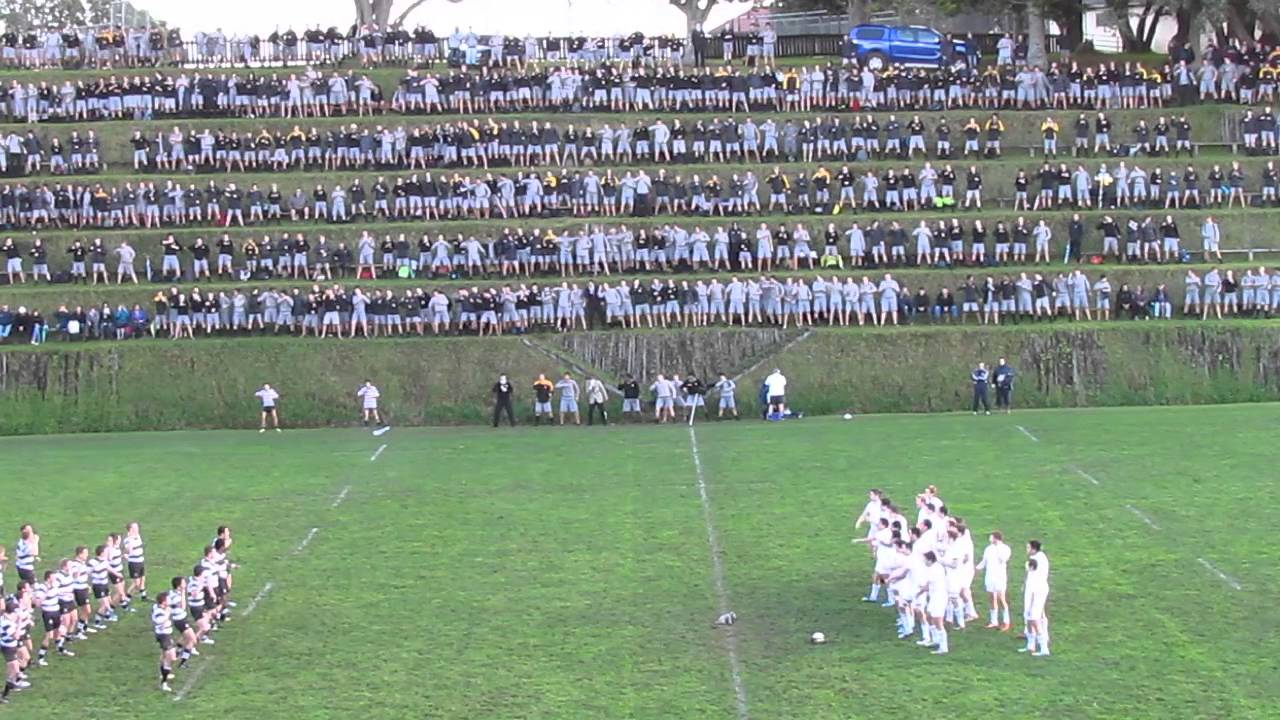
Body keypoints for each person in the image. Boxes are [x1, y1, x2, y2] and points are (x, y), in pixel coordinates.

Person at [976, 531, 1012, 630]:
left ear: (996, 538)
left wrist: (997, 548)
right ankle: (994, 621)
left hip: (1000, 577)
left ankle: (1006, 621)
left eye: (991, 537)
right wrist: (977, 568)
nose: (990, 539)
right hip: (990, 576)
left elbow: (1003, 559)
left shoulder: (1005, 549)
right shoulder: (988, 549)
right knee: (991, 598)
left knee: (1001, 598)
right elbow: (984, 561)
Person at [1021, 539, 1051, 656]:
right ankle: (1030, 645)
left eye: (1028, 548)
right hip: (1032, 589)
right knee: (1028, 616)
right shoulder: (1040, 557)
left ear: (1034, 549)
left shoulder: (1037, 559)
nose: (1027, 550)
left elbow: (1031, 567)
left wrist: (1027, 565)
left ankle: (1044, 648)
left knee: (1034, 617)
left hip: (1037, 591)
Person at [152, 591, 177, 692]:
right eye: (168, 600)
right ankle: (164, 682)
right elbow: (160, 623)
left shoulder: (161, 608)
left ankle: (163, 673)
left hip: (166, 635)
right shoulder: (160, 612)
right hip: (164, 636)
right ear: (163, 602)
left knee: (164, 655)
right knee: (171, 657)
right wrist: (168, 612)